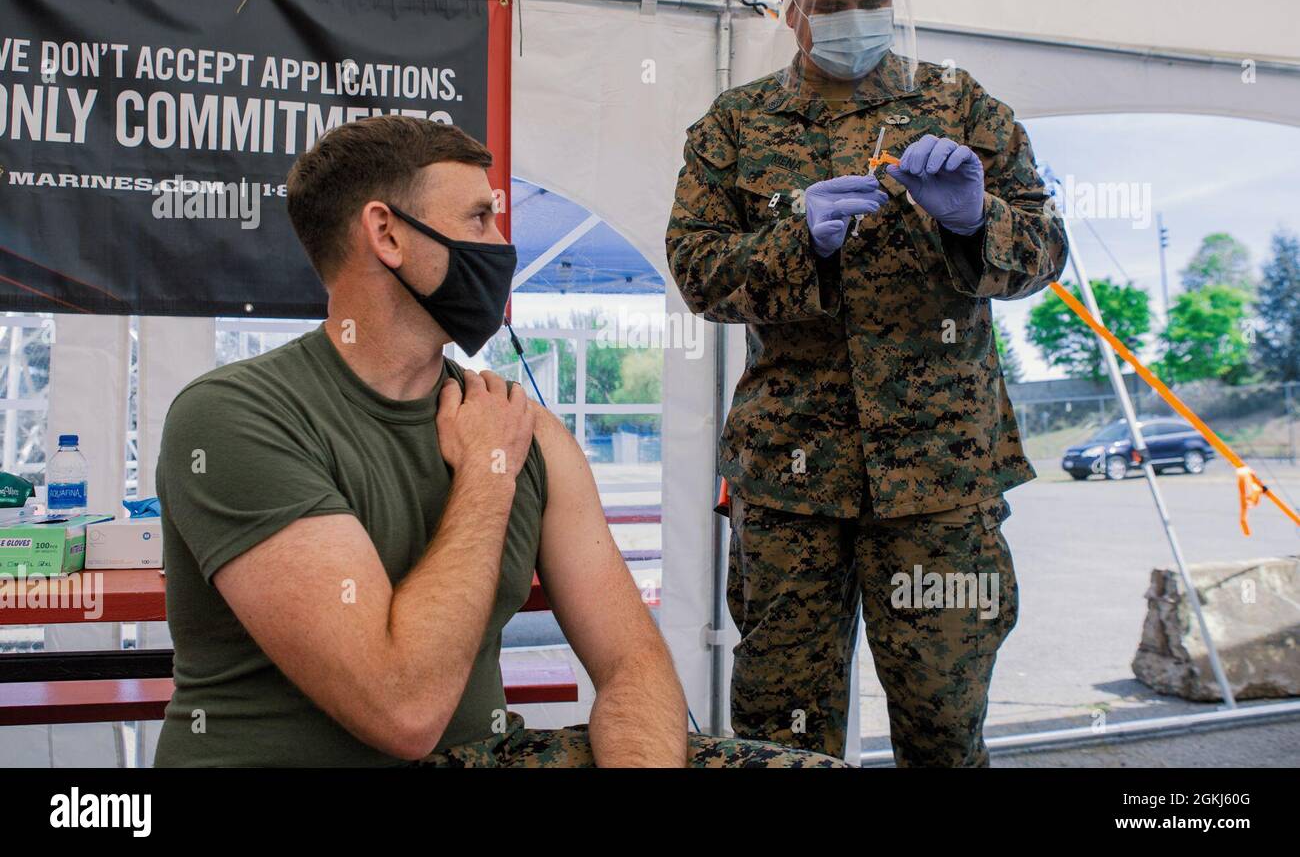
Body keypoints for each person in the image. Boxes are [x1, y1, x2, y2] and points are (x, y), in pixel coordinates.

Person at [155, 115, 844, 768]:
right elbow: (403, 711)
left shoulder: (523, 430)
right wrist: (486, 475)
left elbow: (632, 661)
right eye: (478, 218)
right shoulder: (234, 419)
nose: (500, 247)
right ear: (386, 235)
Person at [665, 0, 1068, 766]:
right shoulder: (733, 128)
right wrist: (794, 241)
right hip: (791, 482)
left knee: (946, 725)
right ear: (791, 8)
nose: (856, 15)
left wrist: (976, 221)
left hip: (942, 482)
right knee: (782, 732)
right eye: (834, 0)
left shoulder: (961, 107)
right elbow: (698, 272)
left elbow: (1044, 252)